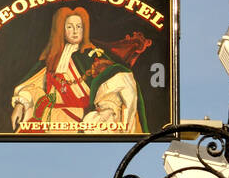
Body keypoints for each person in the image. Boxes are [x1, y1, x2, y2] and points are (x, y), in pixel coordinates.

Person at [10, 7, 147, 135]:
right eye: (69, 27)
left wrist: (107, 110)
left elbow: (114, 82)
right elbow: (34, 86)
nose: (75, 31)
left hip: (79, 119)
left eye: (79, 26)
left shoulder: (93, 56)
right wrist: (21, 104)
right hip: (50, 118)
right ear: (61, 30)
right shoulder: (52, 58)